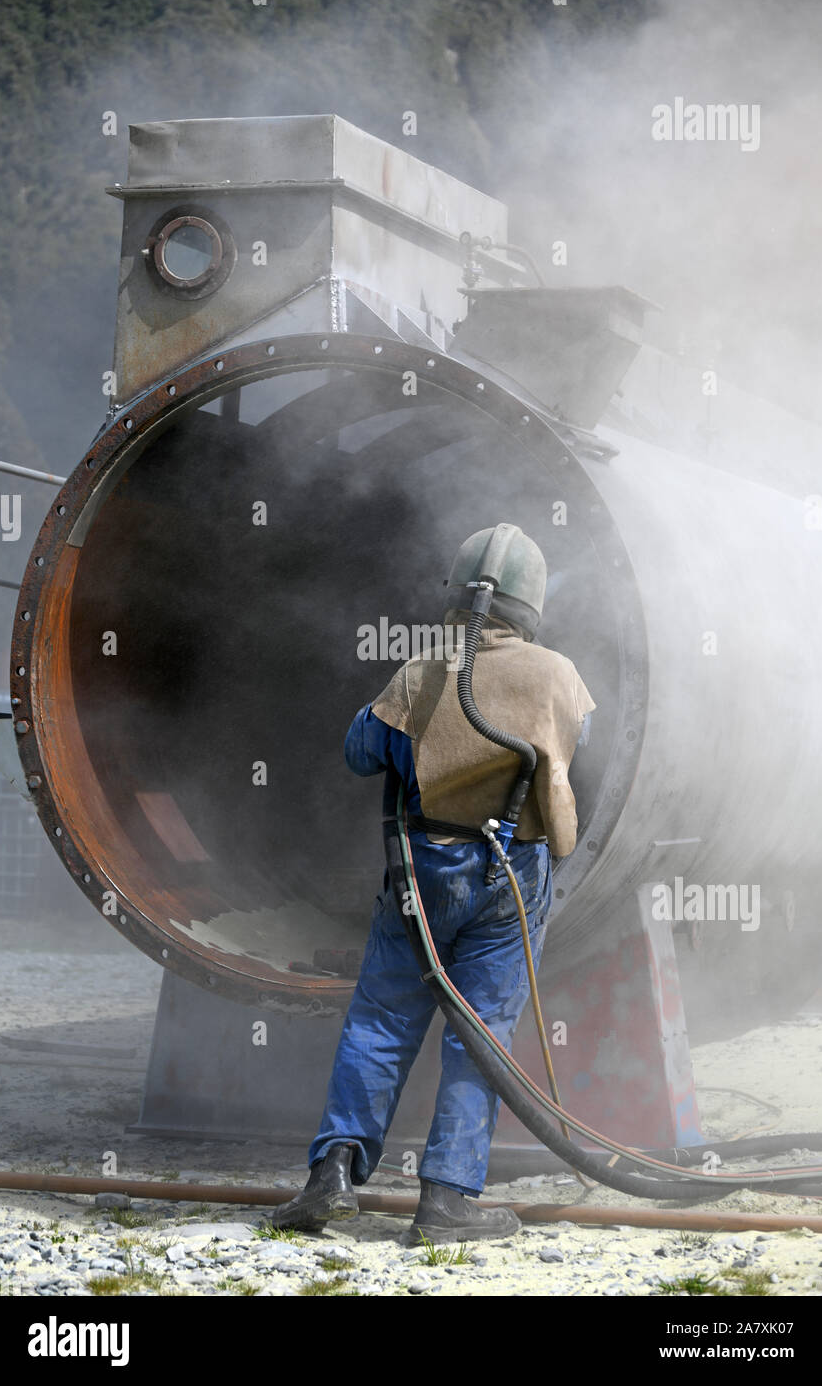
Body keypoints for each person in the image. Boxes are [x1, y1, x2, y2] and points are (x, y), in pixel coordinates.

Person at [273, 525, 595, 1242]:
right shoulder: (560, 676)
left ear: (457, 592)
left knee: (382, 1021)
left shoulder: (423, 671)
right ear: (532, 603)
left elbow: (363, 750)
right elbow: (574, 753)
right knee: (479, 1036)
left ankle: (332, 1175)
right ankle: (447, 1201)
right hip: (512, 877)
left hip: (421, 873)